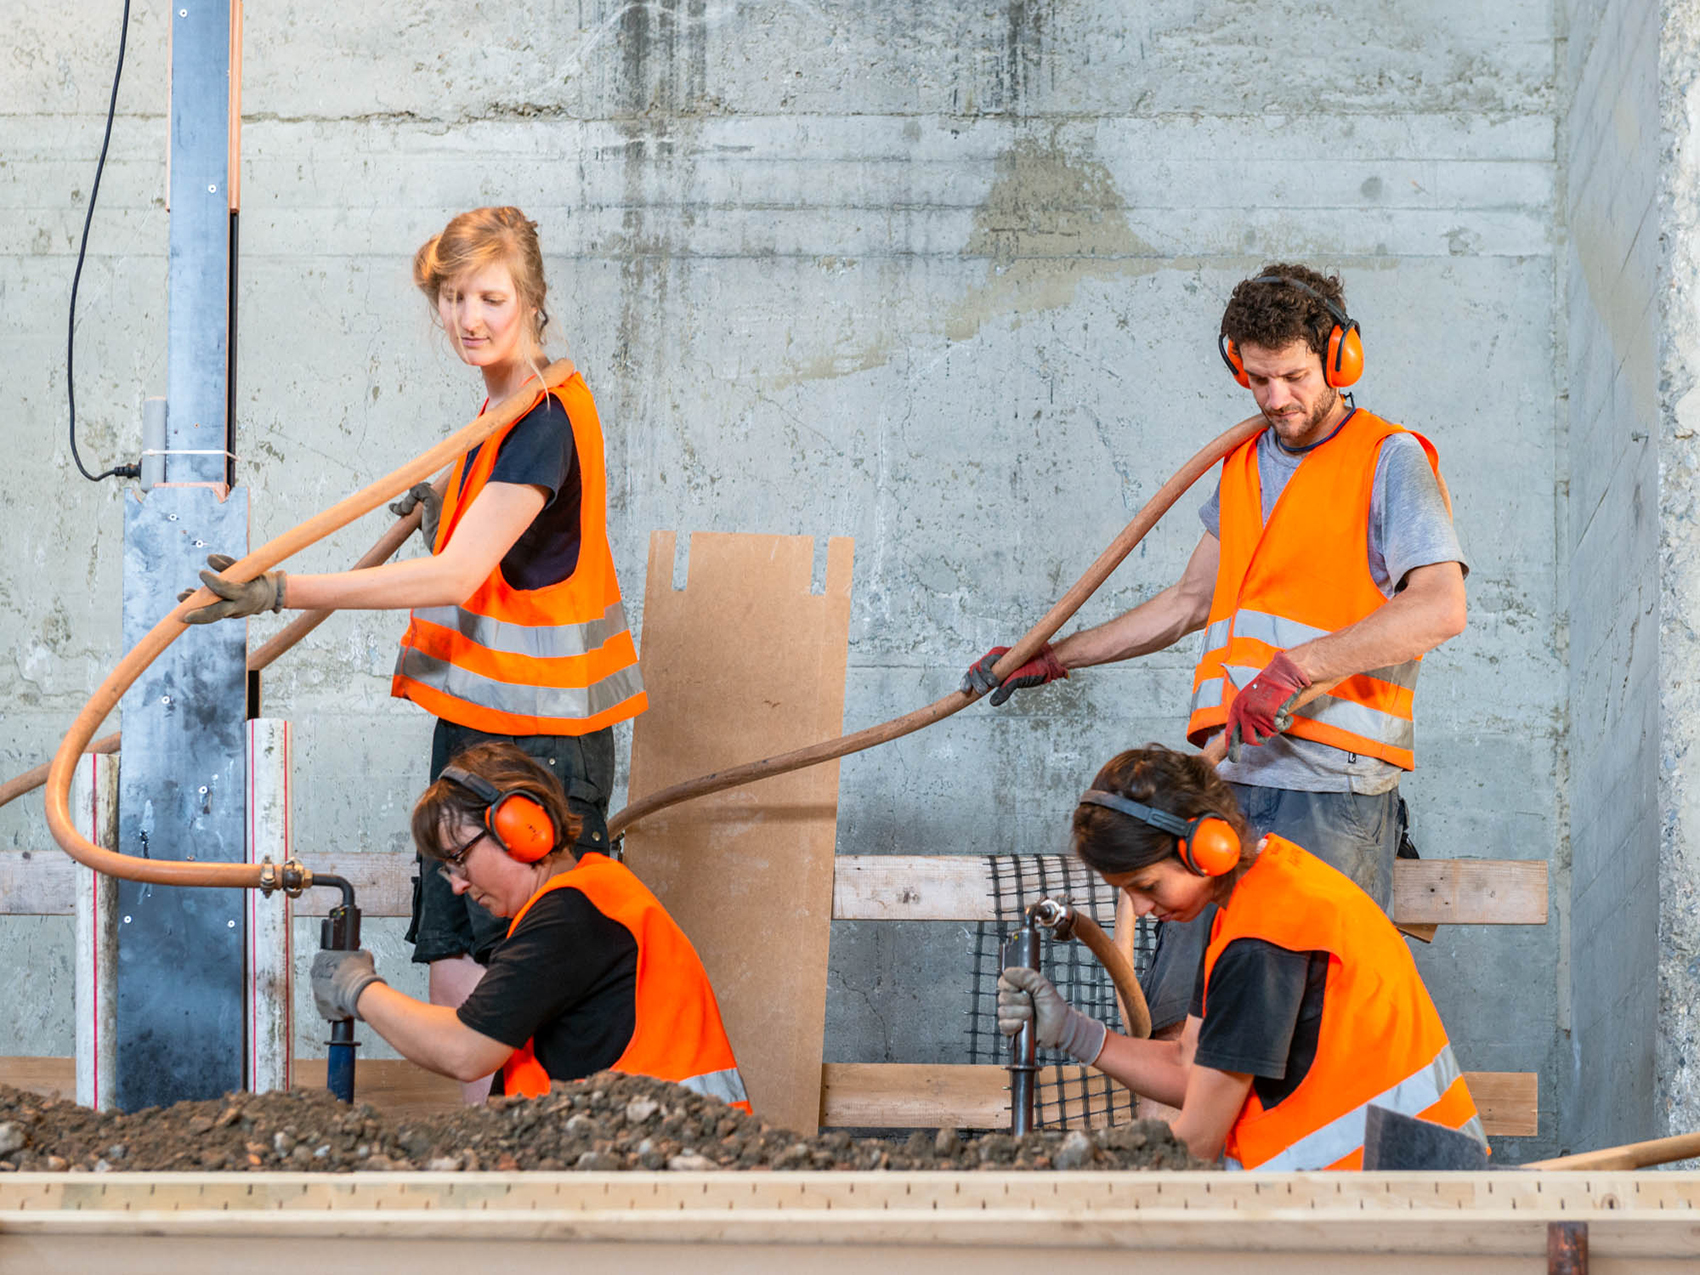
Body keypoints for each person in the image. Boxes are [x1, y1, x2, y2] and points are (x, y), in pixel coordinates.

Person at [183, 207, 647, 1099]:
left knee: (510, 983)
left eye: (491, 297)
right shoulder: (497, 418)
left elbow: (455, 576)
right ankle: (493, 1172)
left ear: (533, 300)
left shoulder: (542, 418)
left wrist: (282, 588)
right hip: (485, 734)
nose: (470, 317)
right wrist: (458, 495)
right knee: (456, 961)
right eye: (452, 296)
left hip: (539, 749)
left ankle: (530, 1179)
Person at [963, 264, 1468, 1049]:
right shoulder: (1240, 468)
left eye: (1295, 376)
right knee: (1182, 1014)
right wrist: (1057, 655)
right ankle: (1177, 1167)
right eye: (1258, 378)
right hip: (1226, 781)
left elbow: (1441, 604)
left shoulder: (1388, 459)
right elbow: (1185, 603)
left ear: (1340, 361)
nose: (1274, 400)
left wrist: (1300, 668)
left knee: (1301, 1028)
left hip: (1329, 792)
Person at [997, 745, 1484, 1169]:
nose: (1142, 910)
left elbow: (1198, 1141)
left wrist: (1070, 1179)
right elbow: (1192, 1070)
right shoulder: (1254, 900)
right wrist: (1070, 1031)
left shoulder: (1264, 939)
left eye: (1146, 887)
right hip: (1391, 1186)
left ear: (1207, 847)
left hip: (1400, 1203)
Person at [310, 741, 749, 1108]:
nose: (458, 885)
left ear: (523, 827)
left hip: (661, 1181)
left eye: (459, 859)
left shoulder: (571, 913)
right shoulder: (589, 898)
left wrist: (357, 987)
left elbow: (465, 1050)